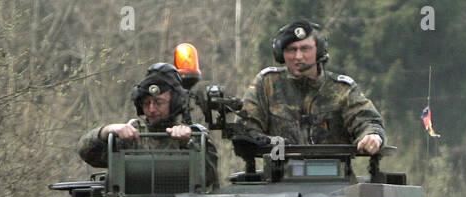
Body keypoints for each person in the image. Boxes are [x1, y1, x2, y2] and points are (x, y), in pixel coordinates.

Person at [239, 19, 385, 154]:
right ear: (280, 54)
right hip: (279, 175)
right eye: (291, 49)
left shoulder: (342, 89)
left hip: (335, 177)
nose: (298, 57)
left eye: (305, 49)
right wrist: (266, 141)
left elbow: (367, 120)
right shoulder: (267, 84)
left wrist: (372, 135)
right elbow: (246, 127)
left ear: (319, 51)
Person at [78, 63, 218, 186]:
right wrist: (107, 131)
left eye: (158, 102)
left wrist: (187, 143)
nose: (151, 109)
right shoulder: (132, 136)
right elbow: (86, 152)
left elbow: (209, 178)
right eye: (146, 103)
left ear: (174, 103)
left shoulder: (196, 137)